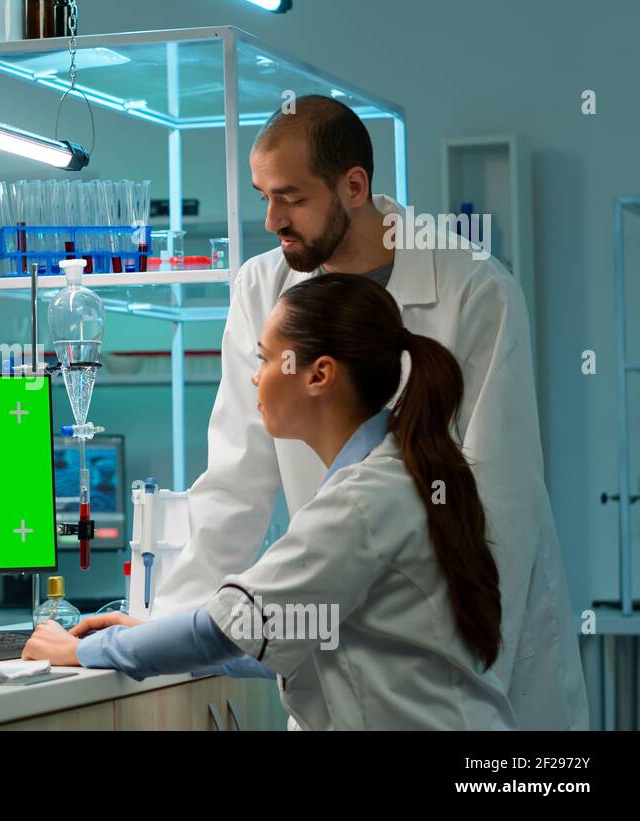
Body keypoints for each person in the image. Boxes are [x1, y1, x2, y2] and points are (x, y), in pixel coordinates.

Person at [145, 96, 585, 729]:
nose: (271, 218)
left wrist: (465, 666)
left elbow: (502, 499)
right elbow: (235, 482)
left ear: (354, 186)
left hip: (473, 654)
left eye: (291, 197)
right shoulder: (261, 289)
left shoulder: (474, 285)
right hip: (347, 657)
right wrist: (174, 627)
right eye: (262, 195)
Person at [23, 274, 517, 730]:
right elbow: (298, 636)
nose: (256, 378)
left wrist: (86, 652)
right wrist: (147, 635)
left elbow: (219, 631)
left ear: (318, 375)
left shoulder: (361, 500)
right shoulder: (393, 474)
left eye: (264, 358)